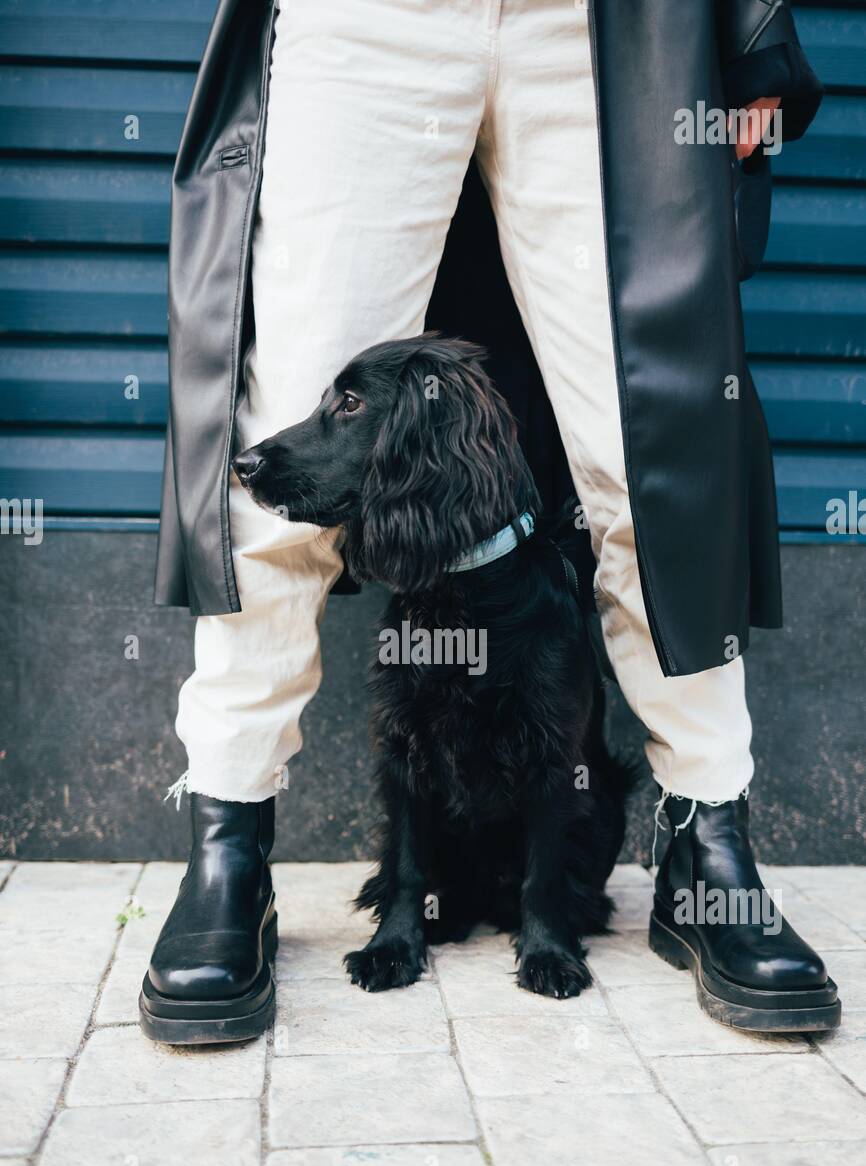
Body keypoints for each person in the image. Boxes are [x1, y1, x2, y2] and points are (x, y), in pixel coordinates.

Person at [142, 0, 839, 1042]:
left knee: (652, 451)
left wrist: (748, 31)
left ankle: (707, 842)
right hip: (368, 23)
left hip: (608, 30)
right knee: (285, 443)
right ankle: (228, 842)